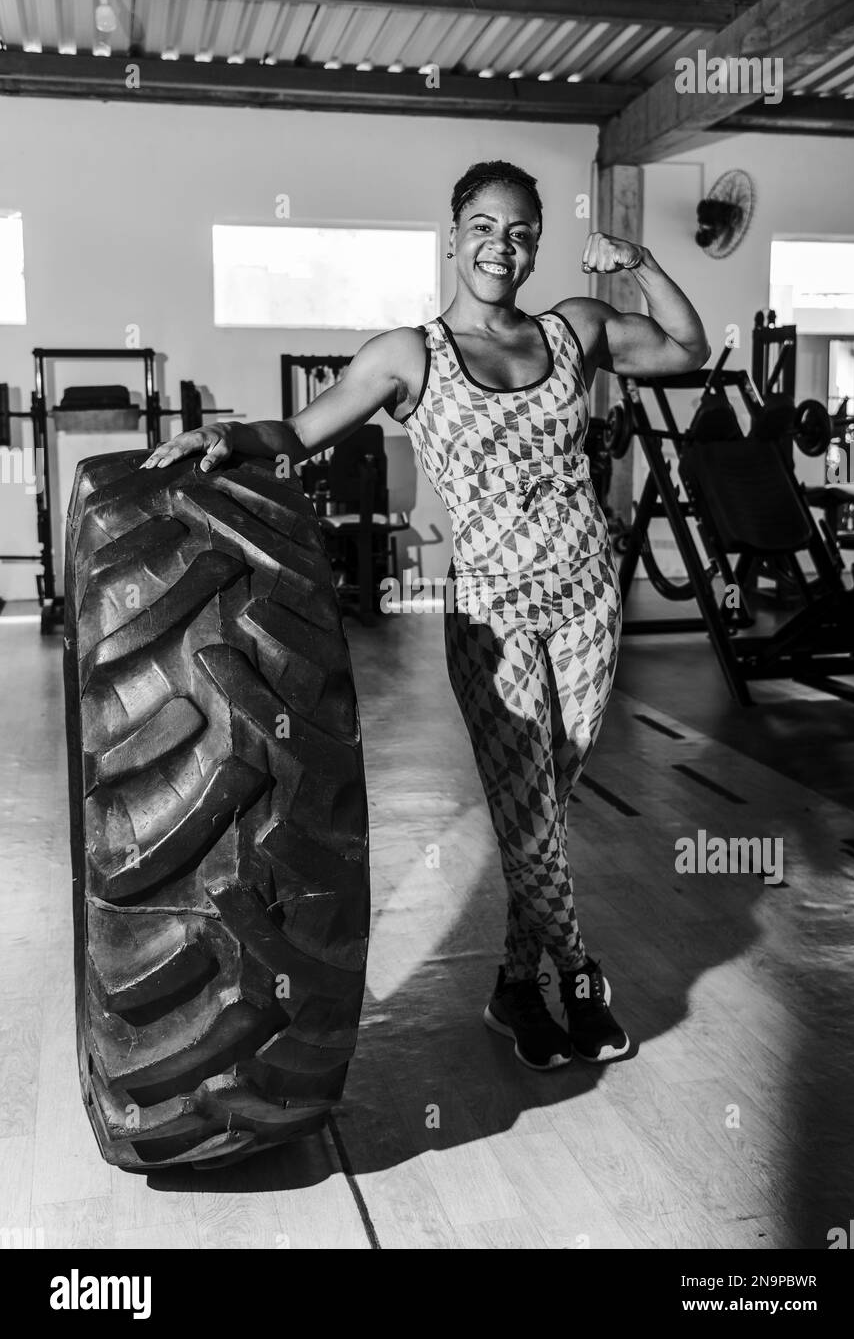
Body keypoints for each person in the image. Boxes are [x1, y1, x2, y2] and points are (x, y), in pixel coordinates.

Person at [144, 159, 710, 1072]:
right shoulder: (409, 354)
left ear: (537, 244)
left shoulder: (576, 329)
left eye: (521, 230)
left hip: (587, 601)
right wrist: (231, 435)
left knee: (545, 807)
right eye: (484, 226)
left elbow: (689, 349)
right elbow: (301, 431)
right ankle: (576, 971)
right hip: (492, 611)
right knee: (527, 812)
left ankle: (513, 987)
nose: (503, 244)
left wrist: (639, 260)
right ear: (454, 237)